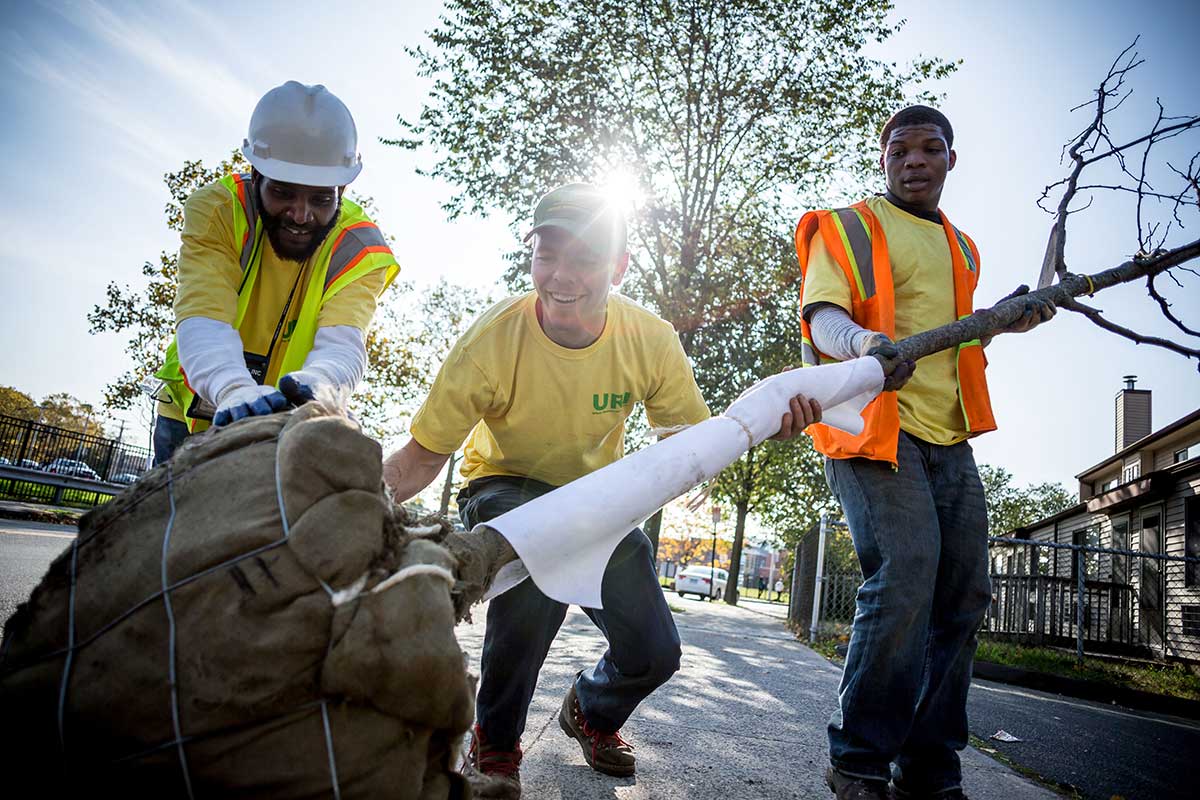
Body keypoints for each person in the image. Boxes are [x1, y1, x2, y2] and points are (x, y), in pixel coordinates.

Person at [383, 183, 820, 798]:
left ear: (617, 266)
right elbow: (424, 454)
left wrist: (766, 424)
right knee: (539, 565)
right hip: (504, 487)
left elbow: (693, 443)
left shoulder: (650, 339)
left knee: (655, 650)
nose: (561, 275)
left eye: (584, 259)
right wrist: (359, 506)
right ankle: (497, 742)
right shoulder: (491, 341)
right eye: (547, 255)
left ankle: (591, 711)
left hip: (599, 499)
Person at [795, 106, 1054, 800]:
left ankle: (930, 767)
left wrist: (1005, 322)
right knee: (905, 572)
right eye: (900, 149)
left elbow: (958, 340)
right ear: (883, 159)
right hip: (873, 428)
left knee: (964, 597)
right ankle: (857, 761)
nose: (914, 160)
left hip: (950, 435)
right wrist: (868, 347)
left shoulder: (964, 248)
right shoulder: (847, 225)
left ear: (950, 160)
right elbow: (823, 315)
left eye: (930, 149)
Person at [150, 81, 400, 464]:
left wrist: (322, 386)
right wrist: (234, 389)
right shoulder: (217, 211)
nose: (301, 215)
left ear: (342, 190)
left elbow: (343, 342)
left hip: (286, 425)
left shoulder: (361, 246)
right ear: (255, 175)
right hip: (193, 413)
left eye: (320, 199)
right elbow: (204, 317)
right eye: (284, 193)